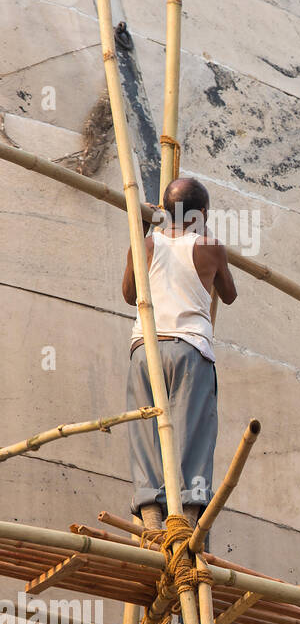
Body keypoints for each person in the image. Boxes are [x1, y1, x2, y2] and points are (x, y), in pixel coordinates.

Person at [122, 177, 236, 530]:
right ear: (201, 213)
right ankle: (187, 512)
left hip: (146, 348)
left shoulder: (147, 245)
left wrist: (145, 236)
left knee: (146, 430)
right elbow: (229, 294)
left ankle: (150, 509)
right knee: (194, 430)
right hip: (190, 349)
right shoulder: (209, 245)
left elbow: (129, 294)